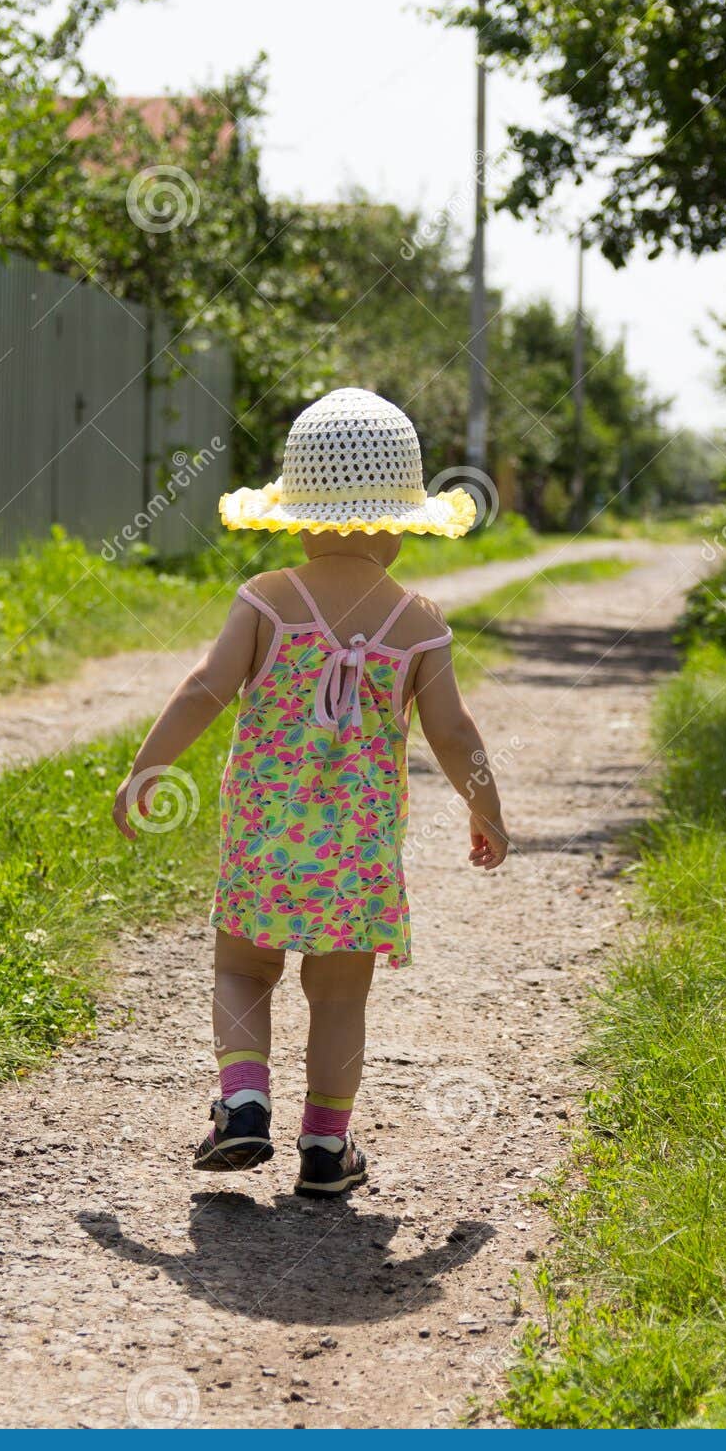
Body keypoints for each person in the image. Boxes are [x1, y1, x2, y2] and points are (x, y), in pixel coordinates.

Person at [113, 388, 508, 1196]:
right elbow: (455, 733)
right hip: (356, 855)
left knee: (243, 970)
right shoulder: (418, 621)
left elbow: (202, 691)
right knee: (337, 996)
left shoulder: (267, 597)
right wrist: (485, 809)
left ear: (297, 514)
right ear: (398, 523)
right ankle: (326, 1146)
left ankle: (244, 1103)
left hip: (266, 839)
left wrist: (147, 767)